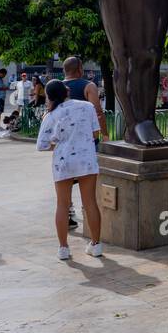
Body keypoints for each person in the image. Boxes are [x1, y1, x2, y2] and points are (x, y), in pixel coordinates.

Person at [36, 79, 103, 260]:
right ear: (66, 91)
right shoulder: (87, 107)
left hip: (63, 162)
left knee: (62, 205)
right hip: (86, 160)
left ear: (49, 96)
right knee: (90, 202)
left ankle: (64, 248)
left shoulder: (50, 116)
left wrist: (58, 145)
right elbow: (96, 133)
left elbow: (41, 145)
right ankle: (96, 245)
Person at [63, 56, 108, 230]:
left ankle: (68, 213)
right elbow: (98, 111)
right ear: (80, 69)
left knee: (66, 181)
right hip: (86, 141)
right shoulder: (89, 86)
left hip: (65, 142)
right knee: (88, 181)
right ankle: (90, 219)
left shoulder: (57, 87)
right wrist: (104, 134)